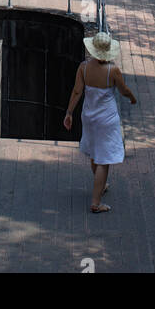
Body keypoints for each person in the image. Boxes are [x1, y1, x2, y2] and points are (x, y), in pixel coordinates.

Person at [63, 29, 136, 213]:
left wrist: (69, 113)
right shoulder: (113, 70)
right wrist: (133, 98)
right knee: (104, 160)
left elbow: (77, 91)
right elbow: (123, 90)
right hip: (107, 119)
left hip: (89, 116)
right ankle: (96, 202)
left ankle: (100, 184)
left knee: (95, 153)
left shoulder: (84, 68)